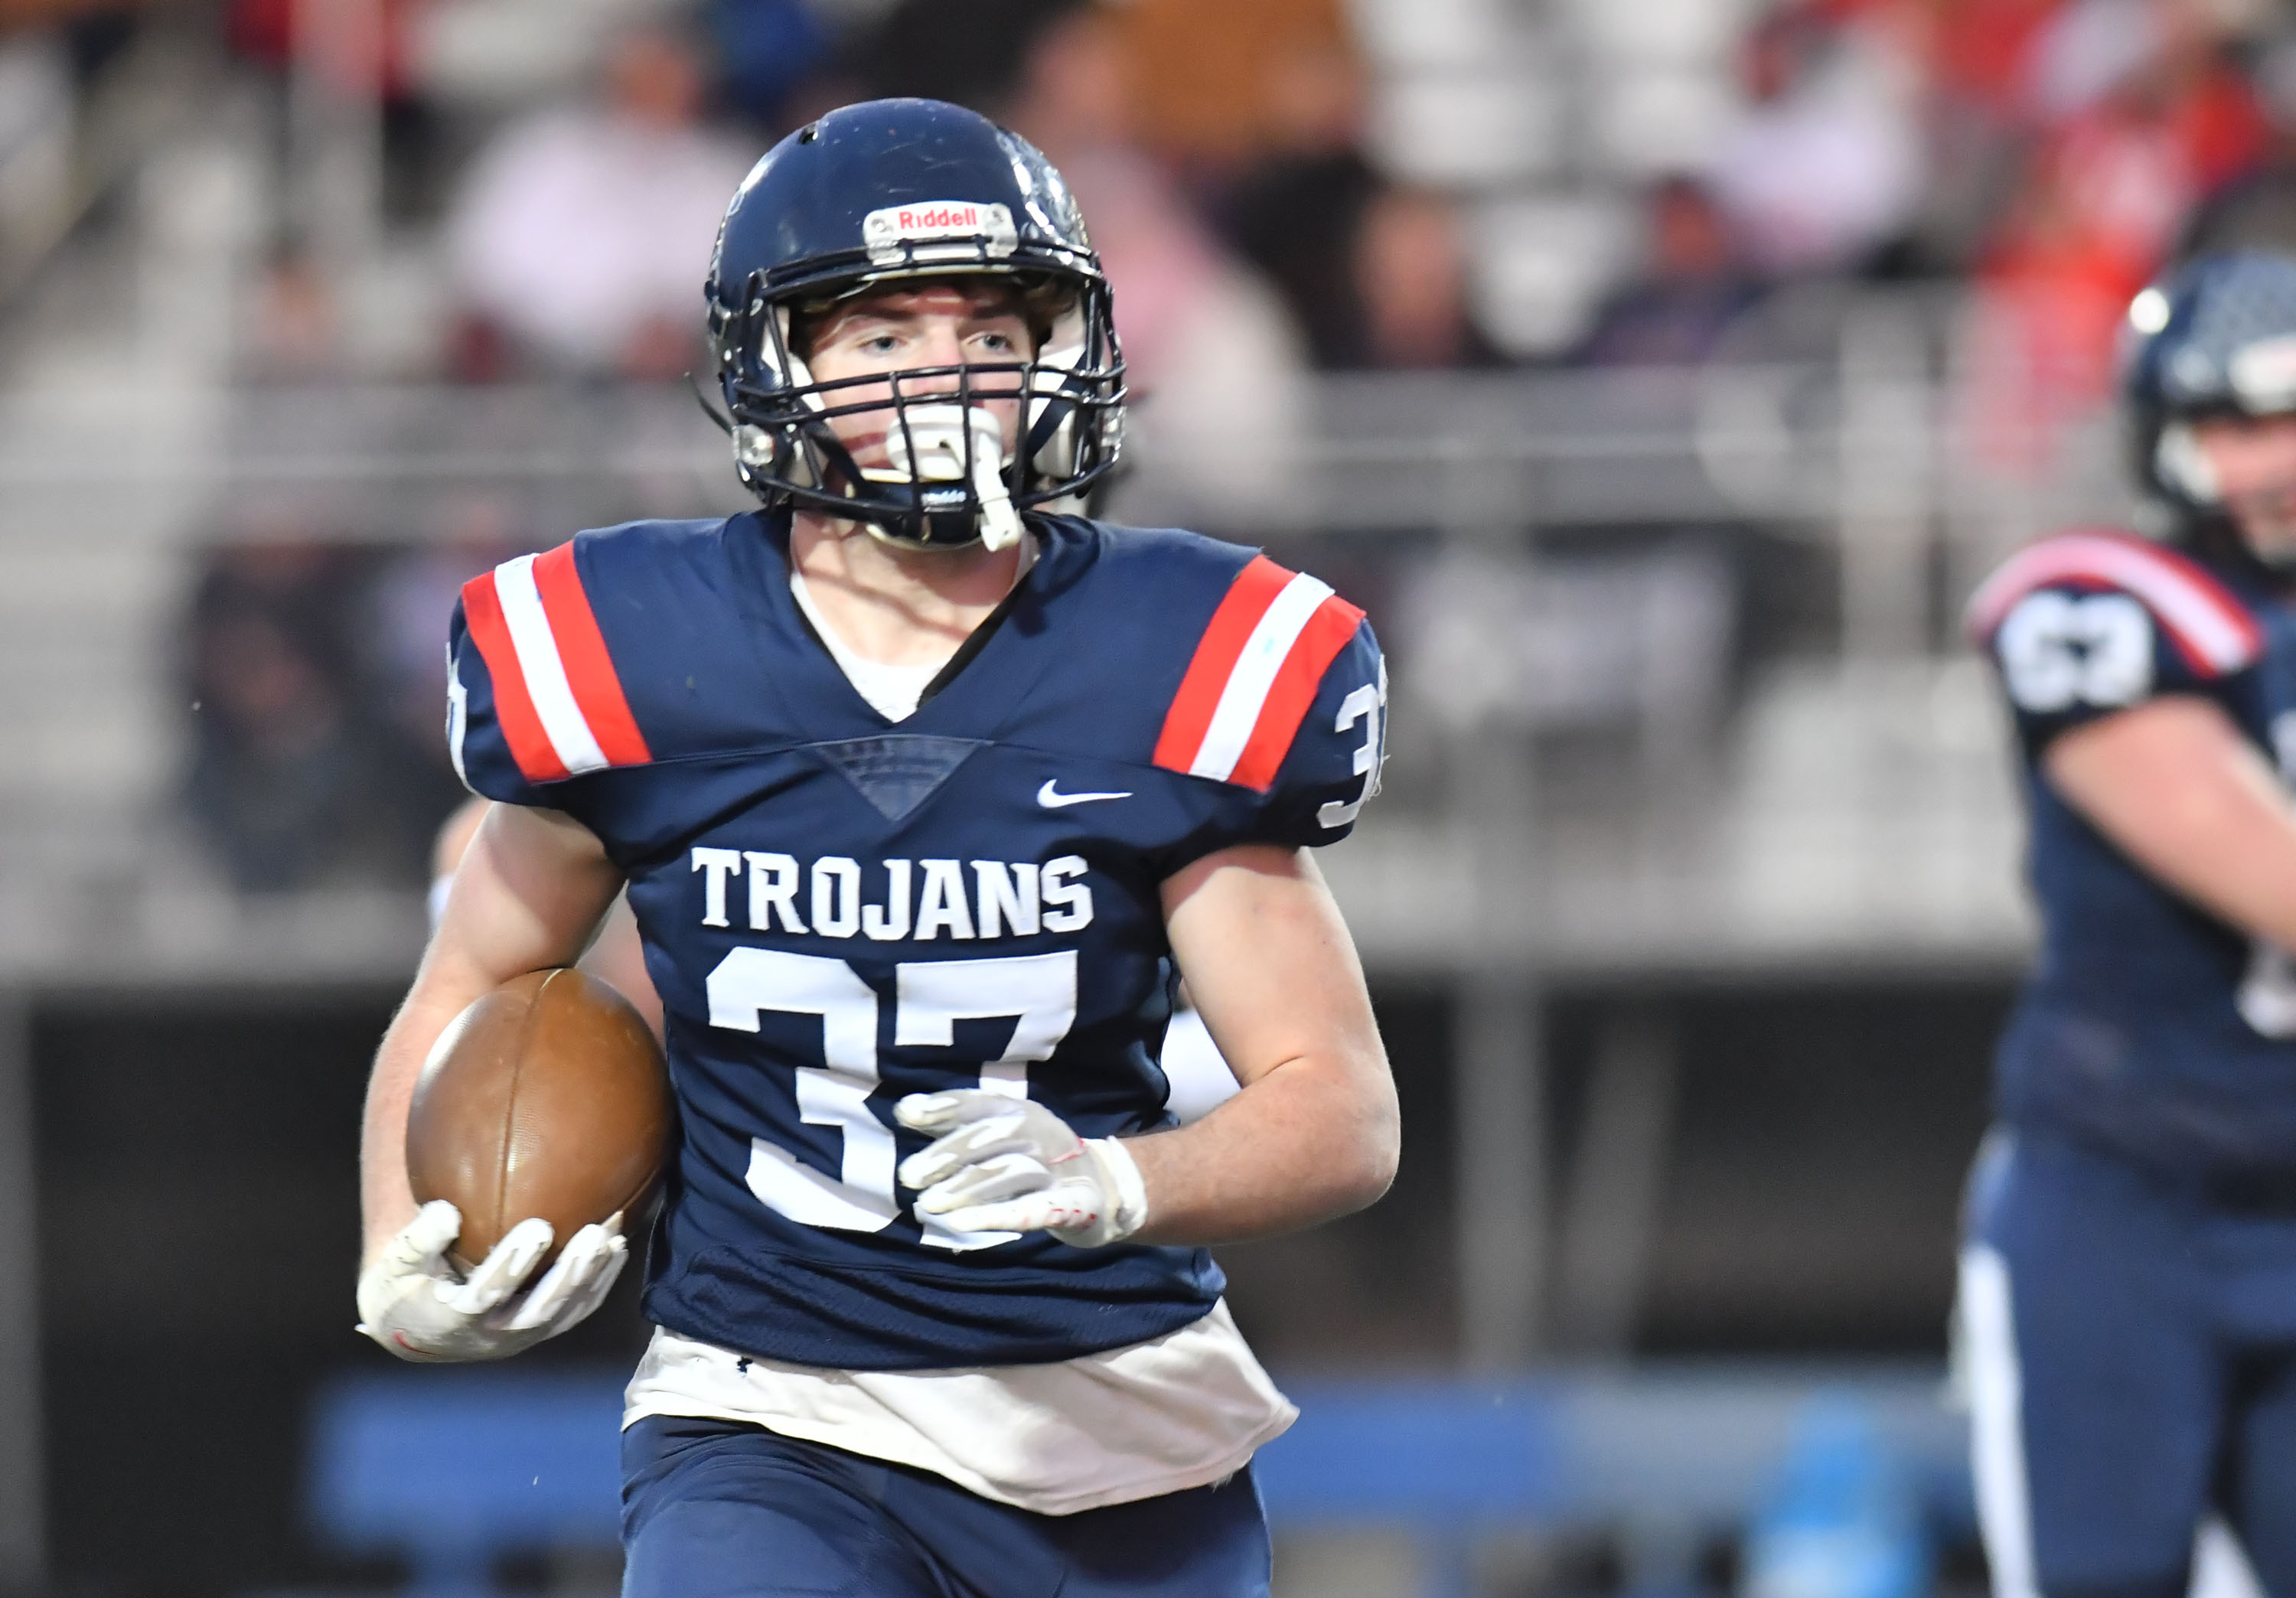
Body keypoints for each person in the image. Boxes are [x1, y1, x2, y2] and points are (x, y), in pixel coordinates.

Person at [356, 99, 1397, 1596]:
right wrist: (406, 1252)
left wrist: (1119, 1184)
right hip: (769, 1406)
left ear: (1063, 349)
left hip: (1112, 1421)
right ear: (777, 367)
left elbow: (1344, 1111)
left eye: (989, 327)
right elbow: (476, 969)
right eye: (882, 336)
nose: (946, 379)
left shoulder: (1175, 662)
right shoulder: (642, 654)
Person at [1959, 250, 2296, 1598]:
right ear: (2167, 439)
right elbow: (2259, 866)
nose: (2276, 458)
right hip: (2125, 1206)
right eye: (2239, 423)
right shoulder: (2098, 602)